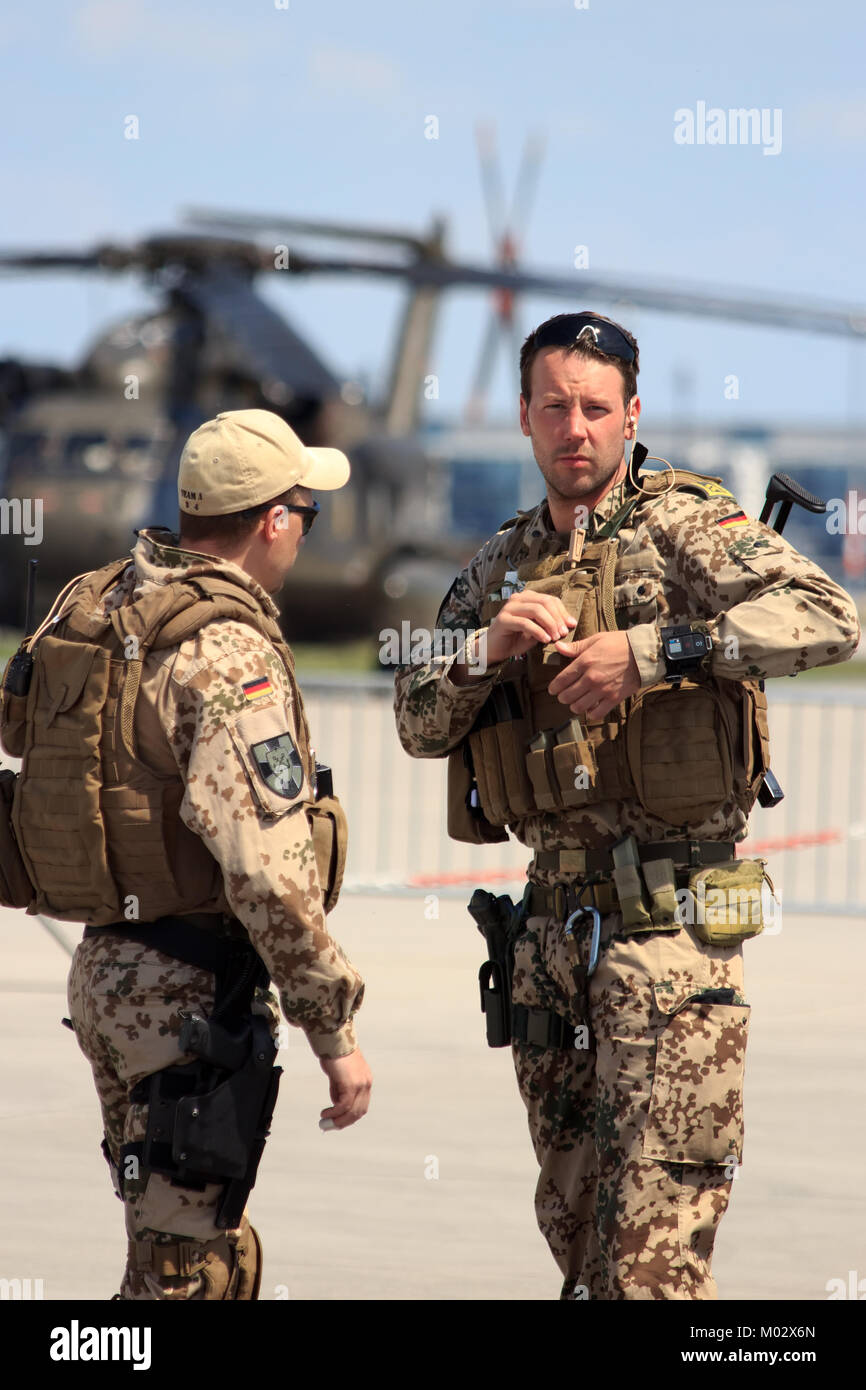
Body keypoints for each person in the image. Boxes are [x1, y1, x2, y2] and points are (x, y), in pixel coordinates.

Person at [393, 312, 860, 1300]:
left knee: (650, 1266)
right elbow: (417, 720)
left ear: (630, 415)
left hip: (671, 935)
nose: (575, 427)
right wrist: (487, 652)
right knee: (576, 1243)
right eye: (554, 407)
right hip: (548, 940)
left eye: (595, 408)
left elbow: (828, 618)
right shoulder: (498, 565)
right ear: (522, 416)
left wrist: (650, 652)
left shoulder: (683, 523)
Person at [0, 408, 371, 1300]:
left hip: (107, 973)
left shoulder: (98, 602)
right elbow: (266, 869)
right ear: (272, 521)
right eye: (304, 513)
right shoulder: (225, 646)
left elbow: (21, 731)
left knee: (175, 1255)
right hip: (190, 1001)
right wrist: (335, 1031)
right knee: (187, 1277)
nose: (303, 533)